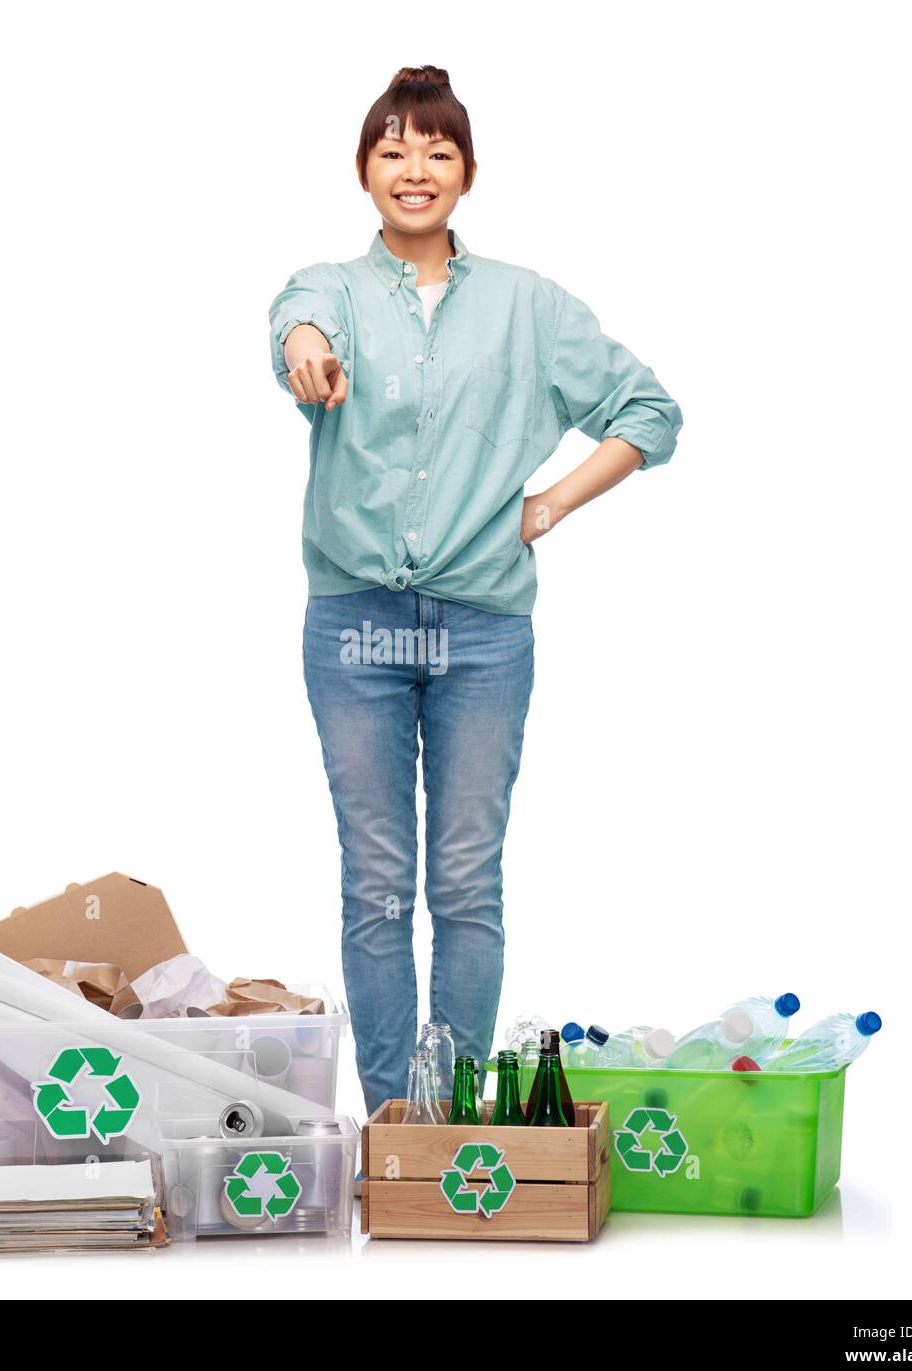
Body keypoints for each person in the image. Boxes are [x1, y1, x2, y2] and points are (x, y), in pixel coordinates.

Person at [269, 65, 683, 1116]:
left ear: (467, 174)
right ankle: (389, 1130)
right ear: (364, 169)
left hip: (482, 631)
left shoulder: (528, 305)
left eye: (437, 151)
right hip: (356, 622)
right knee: (375, 885)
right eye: (394, 149)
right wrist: (307, 350)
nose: (415, 169)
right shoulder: (331, 290)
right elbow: (297, 325)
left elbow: (648, 411)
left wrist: (548, 504)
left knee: (463, 882)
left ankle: (449, 1122)